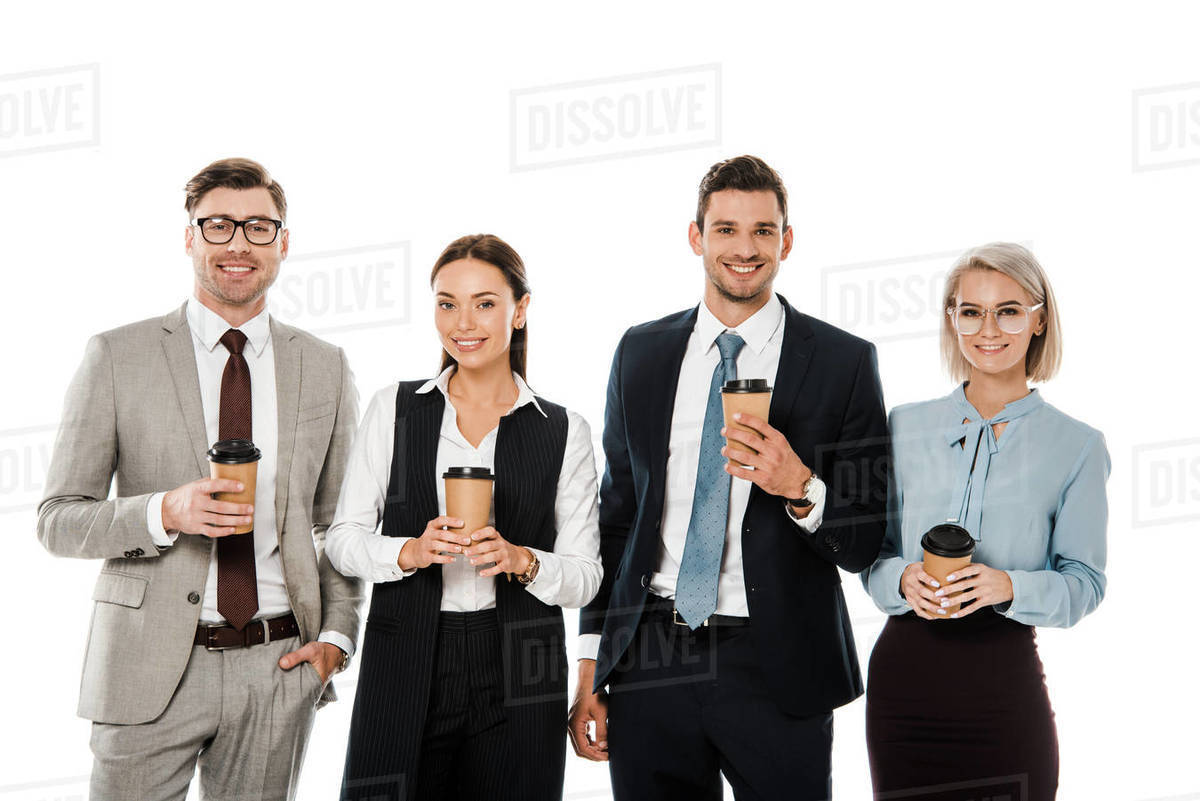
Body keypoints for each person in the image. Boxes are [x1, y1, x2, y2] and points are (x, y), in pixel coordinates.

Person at [37, 157, 362, 800]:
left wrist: (336, 638)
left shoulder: (325, 367)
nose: (238, 243)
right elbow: (57, 519)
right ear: (189, 237)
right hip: (146, 667)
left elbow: (338, 523)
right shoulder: (115, 356)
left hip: (278, 664)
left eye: (258, 228)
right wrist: (162, 512)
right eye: (218, 225)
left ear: (284, 242)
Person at [567, 155, 890, 800]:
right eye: (726, 230)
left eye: (764, 231)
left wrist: (799, 485)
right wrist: (591, 666)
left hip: (778, 665)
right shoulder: (641, 352)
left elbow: (864, 541)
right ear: (696, 237)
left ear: (787, 242)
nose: (745, 249)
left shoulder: (842, 362)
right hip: (649, 654)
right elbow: (618, 518)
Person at [329, 233, 603, 801]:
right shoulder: (395, 408)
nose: (463, 322)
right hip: (406, 651)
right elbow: (343, 539)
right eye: (446, 303)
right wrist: (406, 552)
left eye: (485, 302)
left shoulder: (564, 429)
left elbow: (585, 575)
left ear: (520, 310)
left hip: (522, 664)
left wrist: (521, 560)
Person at [861, 242, 1109, 801]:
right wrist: (899, 579)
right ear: (952, 319)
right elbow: (871, 555)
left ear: (1039, 318)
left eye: (1009, 310)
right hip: (904, 686)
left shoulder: (1078, 447)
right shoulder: (903, 425)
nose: (987, 329)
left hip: (1003, 686)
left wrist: (1010, 585)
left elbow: (1086, 583)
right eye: (970, 311)